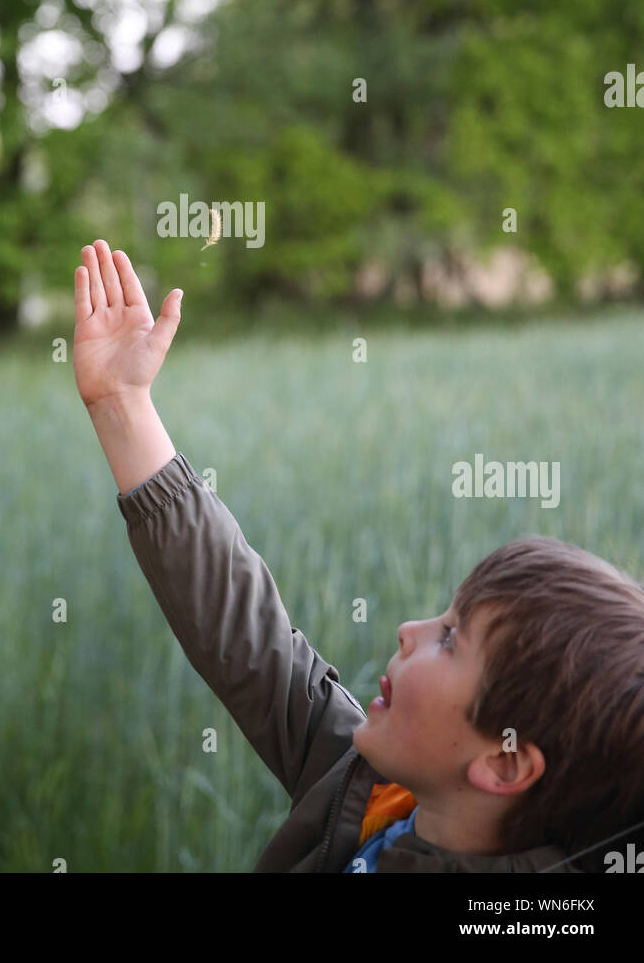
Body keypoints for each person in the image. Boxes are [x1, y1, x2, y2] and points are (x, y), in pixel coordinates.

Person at [73, 239, 644, 874]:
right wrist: (123, 404)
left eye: (452, 639)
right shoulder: (383, 792)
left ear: (504, 762)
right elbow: (253, 648)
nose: (410, 631)